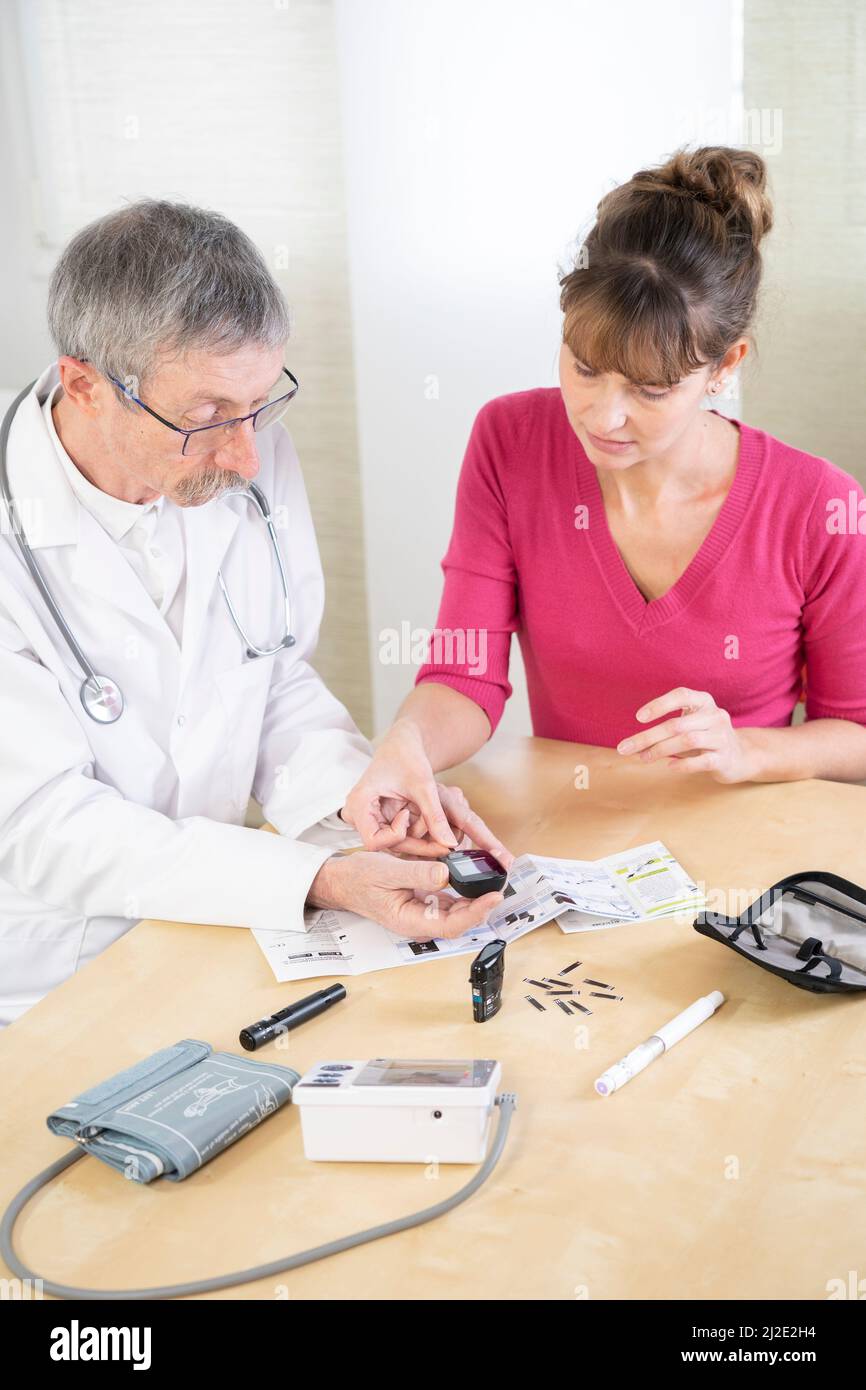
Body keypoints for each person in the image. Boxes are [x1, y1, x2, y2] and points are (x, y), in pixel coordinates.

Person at [0, 200, 501, 1028]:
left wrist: (358, 797)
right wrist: (315, 880)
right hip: (56, 977)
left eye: (263, 403)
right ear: (85, 385)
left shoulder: (245, 441)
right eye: (204, 418)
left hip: (212, 931)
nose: (246, 453)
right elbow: (46, 825)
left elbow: (269, 676)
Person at [344, 146, 866, 854]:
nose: (602, 416)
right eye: (584, 367)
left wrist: (747, 751)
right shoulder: (511, 441)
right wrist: (404, 743)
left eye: (651, 390)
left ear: (725, 366)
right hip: (573, 848)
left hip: (743, 852)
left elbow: (856, 737)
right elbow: (465, 676)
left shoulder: (819, 506)